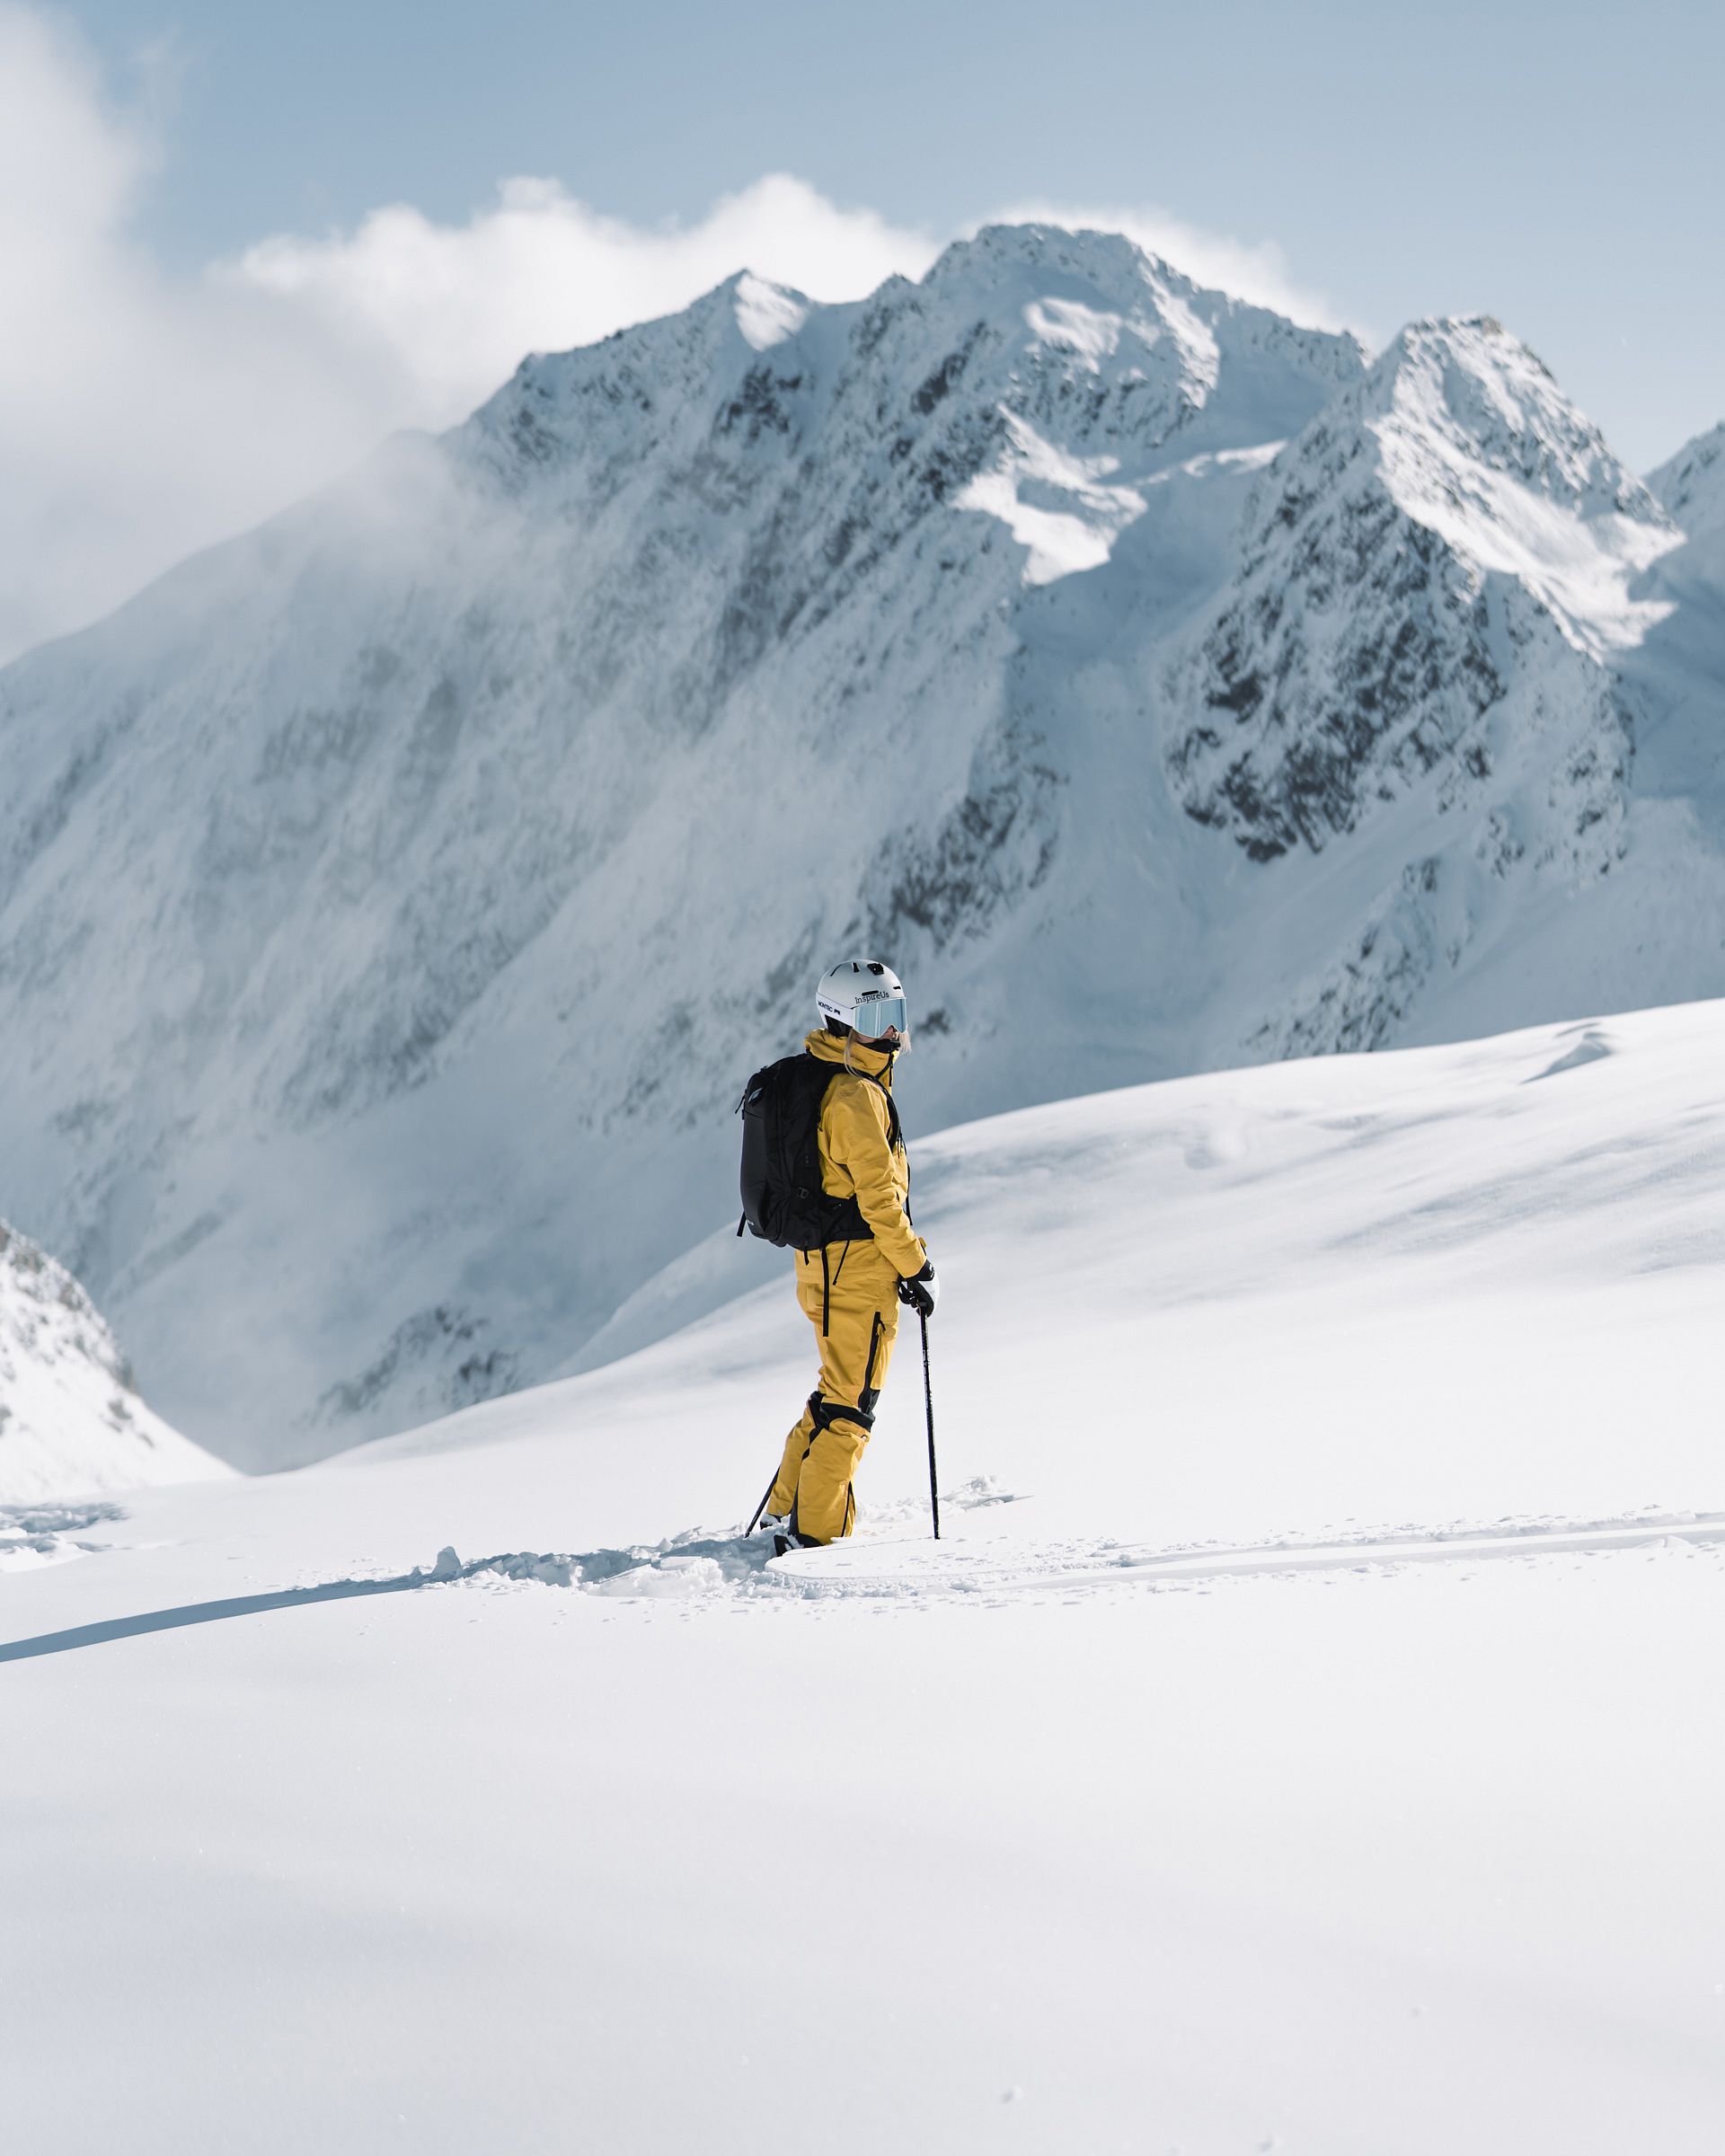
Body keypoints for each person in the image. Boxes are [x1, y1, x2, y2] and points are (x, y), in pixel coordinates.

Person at [760, 960, 939, 1549]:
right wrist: (916, 1266)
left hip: (827, 1270)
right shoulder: (857, 1096)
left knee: (834, 1393)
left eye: (895, 1017)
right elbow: (882, 1203)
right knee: (851, 1411)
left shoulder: (829, 1082)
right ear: (842, 1021)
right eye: (876, 1019)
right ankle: (814, 1538)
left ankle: (780, 1509)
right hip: (856, 1276)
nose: (891, 1034)